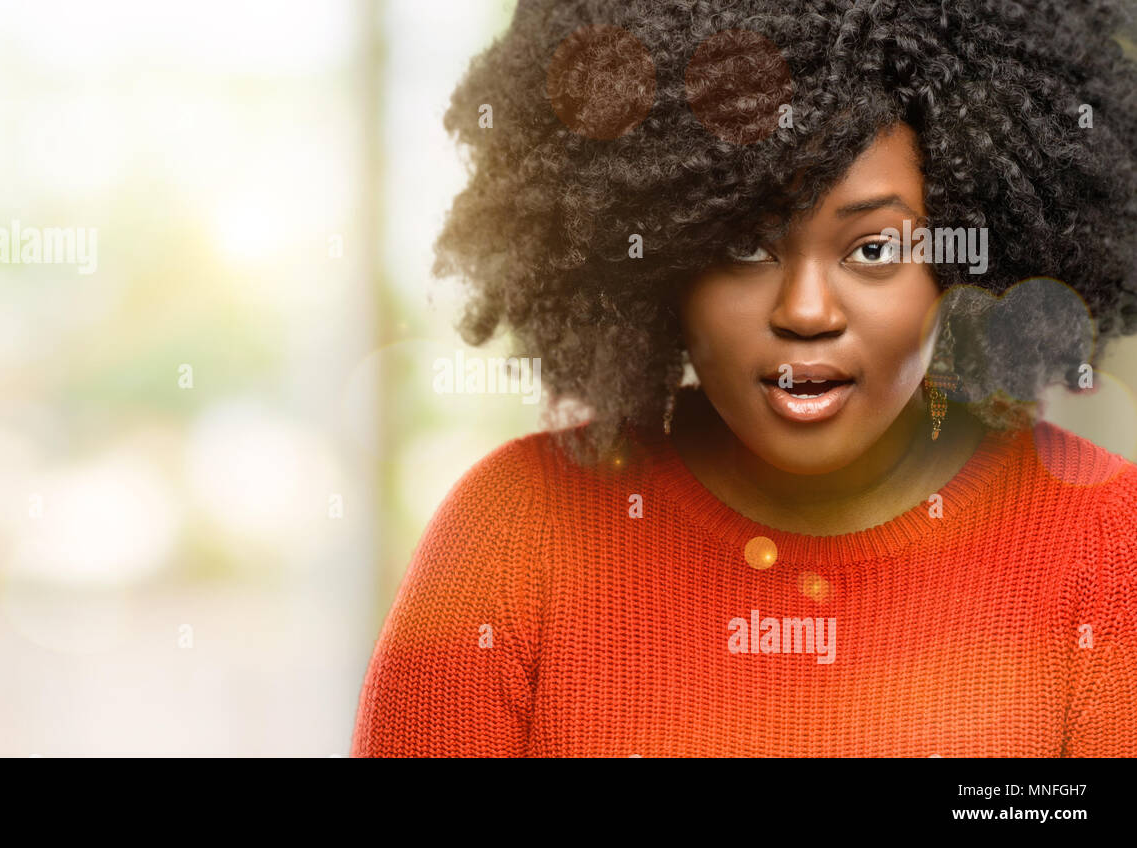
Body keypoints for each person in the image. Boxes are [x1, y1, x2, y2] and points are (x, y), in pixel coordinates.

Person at [351, 0, 1137, 756]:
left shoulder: (1108, 548)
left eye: (872, 250)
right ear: (662, 262)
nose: (804, 311)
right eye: (742, 247)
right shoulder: (514, 538)